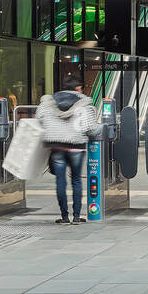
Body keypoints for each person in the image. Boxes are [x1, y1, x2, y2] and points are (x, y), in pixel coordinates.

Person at [35, 77, 99, 224]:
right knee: (76, 180)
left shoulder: (48, 103)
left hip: (56, 147)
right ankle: (76, 217)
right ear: (78, 88)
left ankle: (64, 217)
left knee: (60, 181)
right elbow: (90, 127)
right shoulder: (84, 104)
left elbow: (39, 120)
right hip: (76, 146)